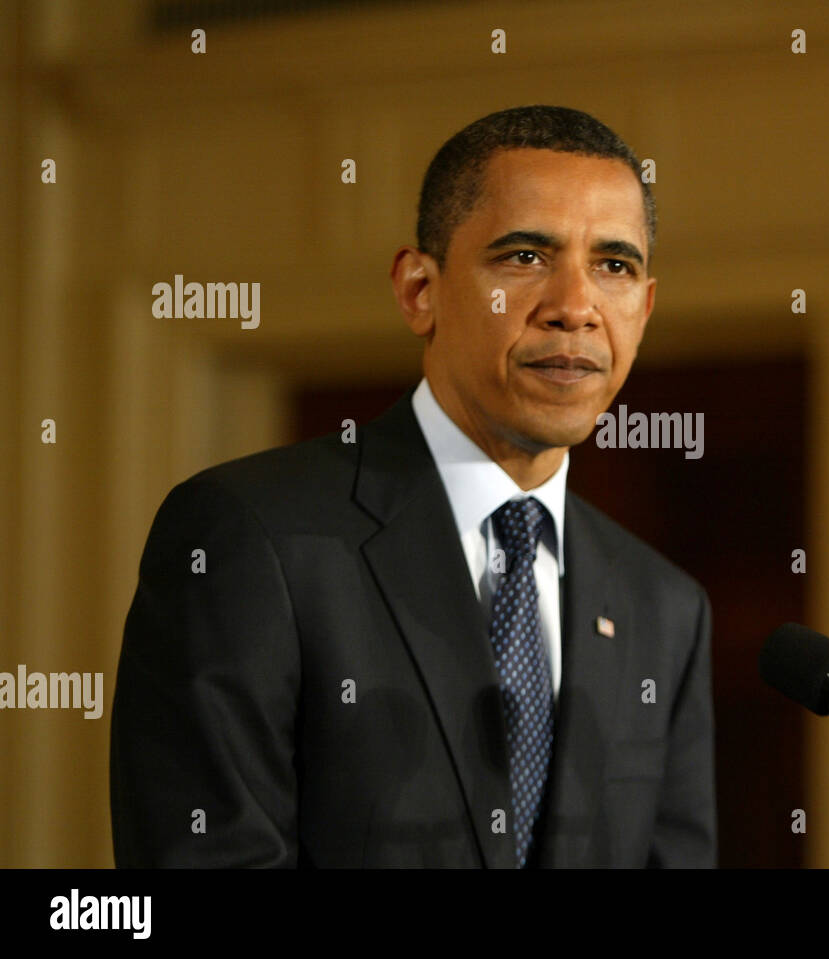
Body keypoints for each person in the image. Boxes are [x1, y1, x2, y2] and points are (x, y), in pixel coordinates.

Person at [110, 104, 716, 868]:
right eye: (525, 256)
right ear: (418, 290)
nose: (575, 307)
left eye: (615, 265)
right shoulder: (247, 537)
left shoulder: (664, 606)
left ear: (646, 307)